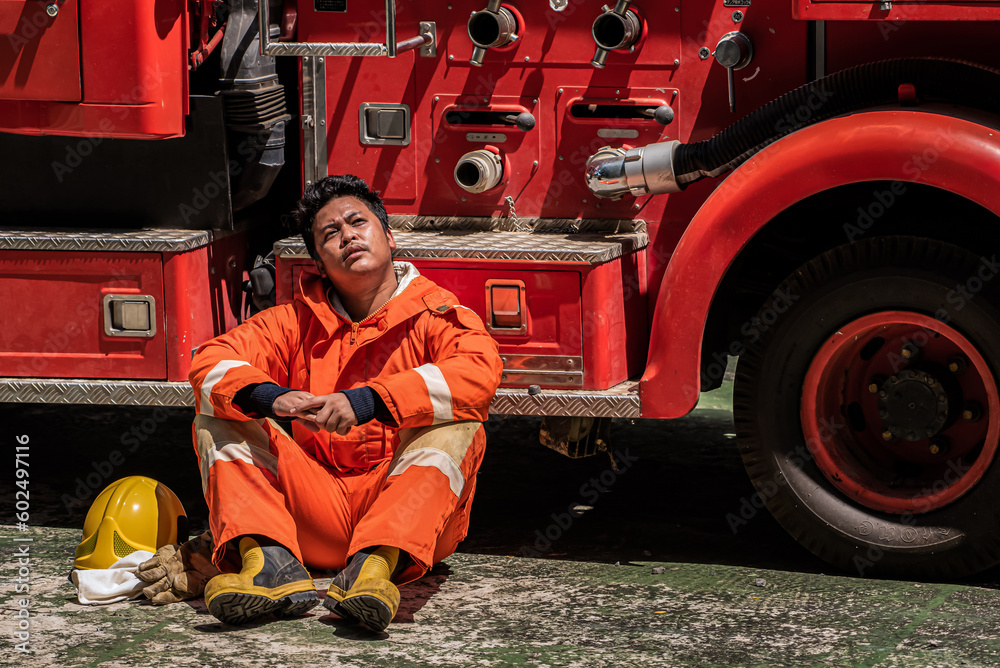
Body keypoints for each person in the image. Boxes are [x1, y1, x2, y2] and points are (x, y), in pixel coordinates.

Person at [187, 174, 503, 631]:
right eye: (329, 234)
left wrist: (371, 400)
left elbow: (479, 374)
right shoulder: (291, 322)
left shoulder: (440, 315)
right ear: (318, 261)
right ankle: (268, 565)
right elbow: (209, 363)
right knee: (218, 416)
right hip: (310, 518)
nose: (347, 236)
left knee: (460, 426)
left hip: (403, 523)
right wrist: (271, 398)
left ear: (389, 237)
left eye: (358, 222)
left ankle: (374, 571)